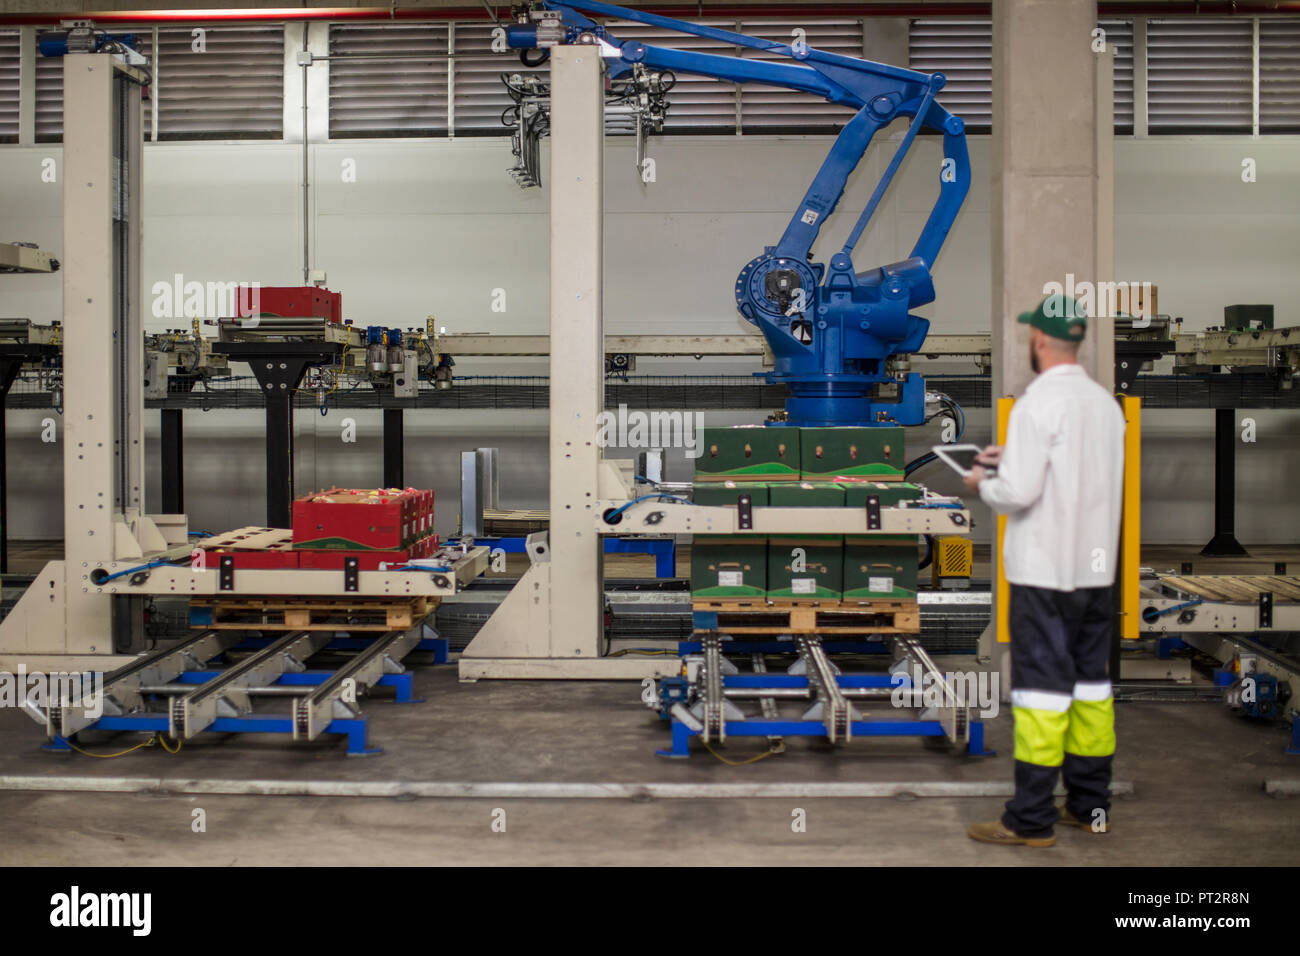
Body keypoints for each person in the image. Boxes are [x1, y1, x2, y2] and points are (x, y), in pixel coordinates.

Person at [962, 294, 1127, 848]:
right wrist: (1010, 452)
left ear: (1038, 341)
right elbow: (1076, 468)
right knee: (1090, 691)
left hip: (1044, 576)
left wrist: (983, 482)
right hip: (1094, 572)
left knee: (1041, 696)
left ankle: (1030, 821)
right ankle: (1090, 806)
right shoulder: (1103, 404)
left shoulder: (1038, 403)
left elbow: (1020, 493)